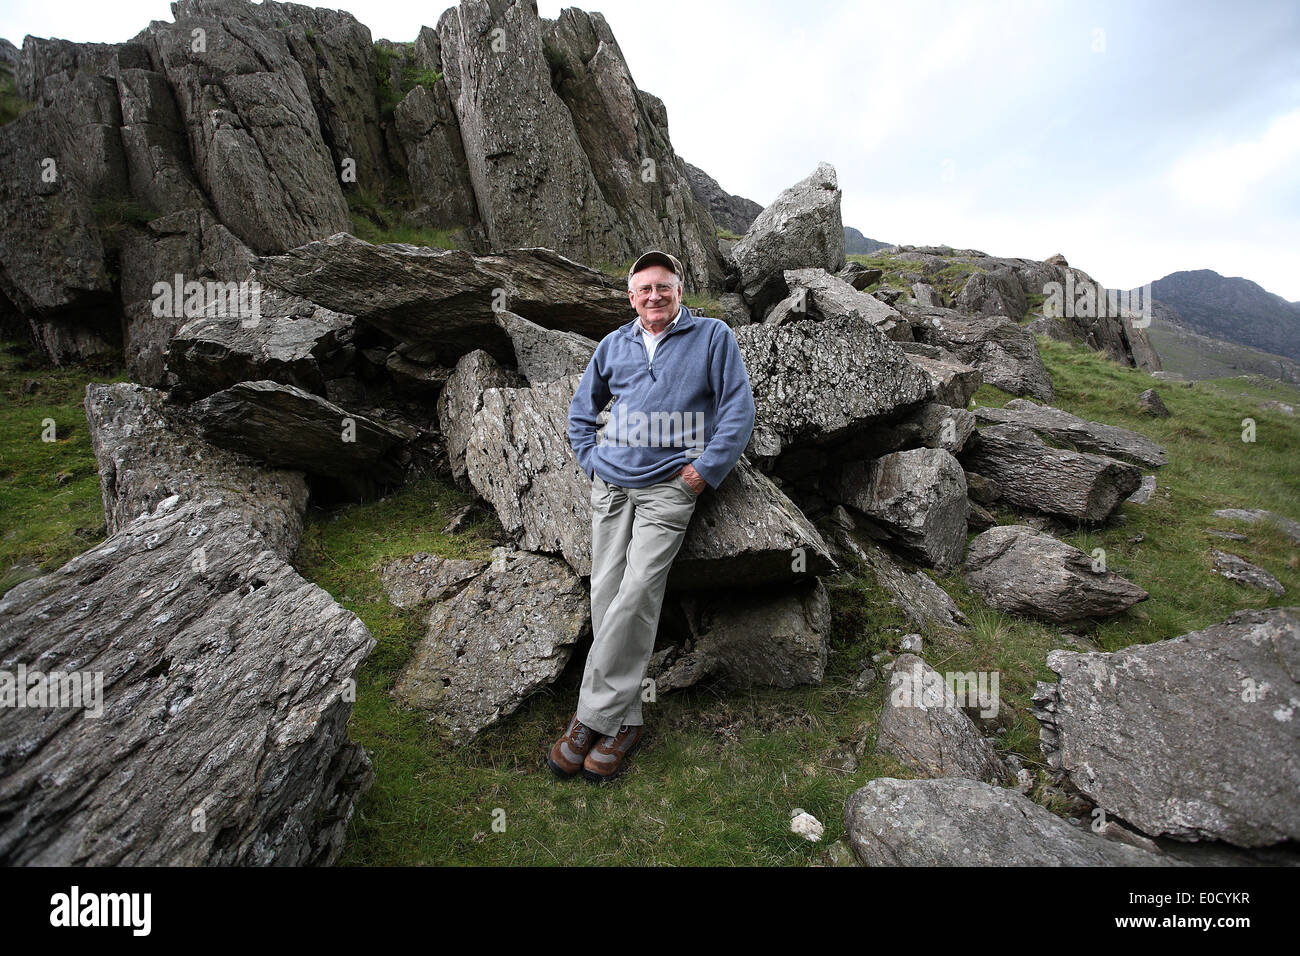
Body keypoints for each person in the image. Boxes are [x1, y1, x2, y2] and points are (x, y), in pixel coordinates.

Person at [550, 250, 755, 783]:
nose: (654, 296)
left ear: (679, 290)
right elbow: (581, 409)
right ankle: (625, 722)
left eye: (663, 287)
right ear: (631, 296)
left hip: (669, 488)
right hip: (611, 485)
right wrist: (590, 459)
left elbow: (738, 409)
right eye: (644, 289)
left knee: (638, 593)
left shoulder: (714, 336)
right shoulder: (613, 345)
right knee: (606, 595)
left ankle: (587, 717)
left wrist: (703, 472)